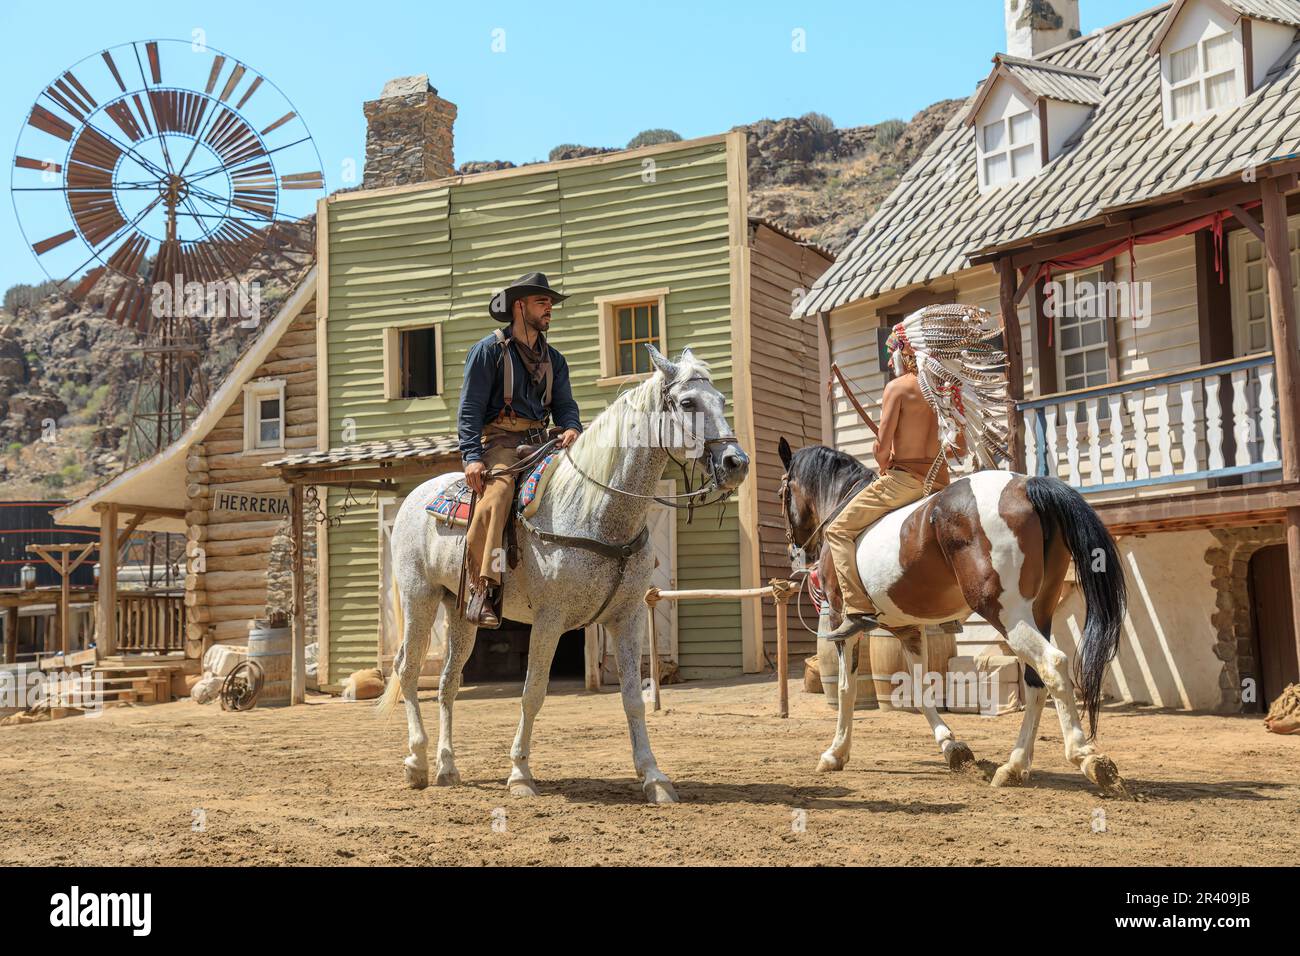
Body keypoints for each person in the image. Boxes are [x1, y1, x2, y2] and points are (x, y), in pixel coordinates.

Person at [457, 272, 582, 627]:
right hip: (501, 443)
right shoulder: (488, 352)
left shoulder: (554, 359)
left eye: (550, 304)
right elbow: (469, 410)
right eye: (542, 302)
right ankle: (484, 587)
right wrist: (471, 457)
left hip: (543, 441)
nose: (549, 309)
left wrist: (572, 426)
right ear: (519, 306)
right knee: (497, 498)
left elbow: (566, 405)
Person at [821, 330, 963, 641]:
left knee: (838, 531)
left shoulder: (897, 389)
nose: (891, 364)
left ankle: (857, 609)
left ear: (902, 355)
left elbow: (881, 449)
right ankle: (949, 611)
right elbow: (960, 448)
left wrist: (886, 461)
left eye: (892, 357)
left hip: (904, 482)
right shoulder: (944, 391)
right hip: (939, 482)